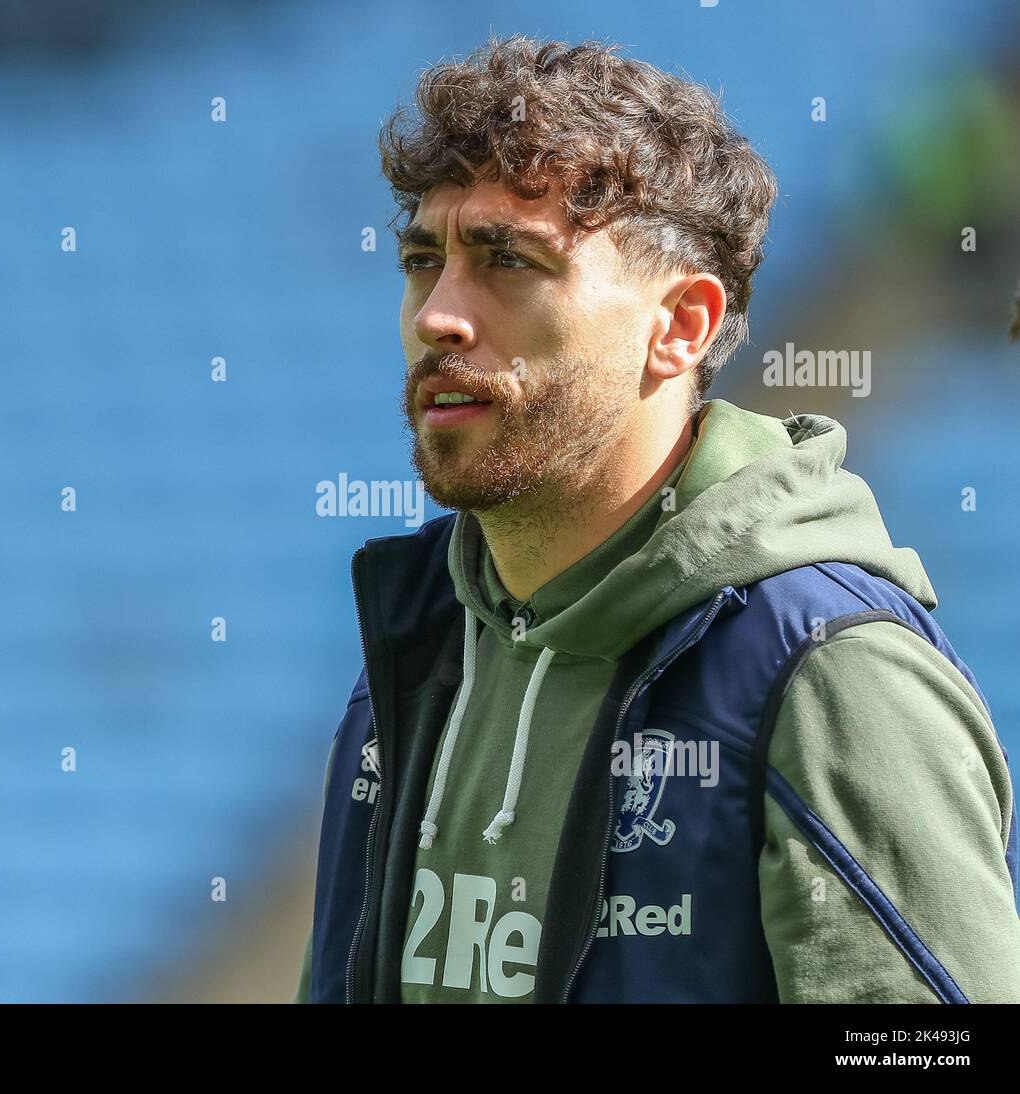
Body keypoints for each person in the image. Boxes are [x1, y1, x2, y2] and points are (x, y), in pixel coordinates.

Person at [294, 33, 1020, 1003]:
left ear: (678, 326)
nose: (438, 315)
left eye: (507, 260)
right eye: (425, 260)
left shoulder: (828, 672)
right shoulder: (417, 640)